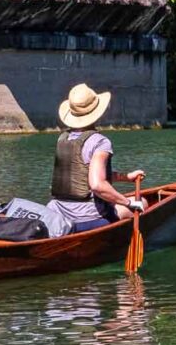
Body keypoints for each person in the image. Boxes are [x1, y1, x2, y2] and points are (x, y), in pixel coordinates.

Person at [46, 82, 147, 234]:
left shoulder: (63, 138)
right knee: (144, 202)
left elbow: (83, 175)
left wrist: (127, 177)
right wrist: (128, 203)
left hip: (56, 212)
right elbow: (97, 185)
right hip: (86, 218)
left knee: (127, 201)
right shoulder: (100, 142)